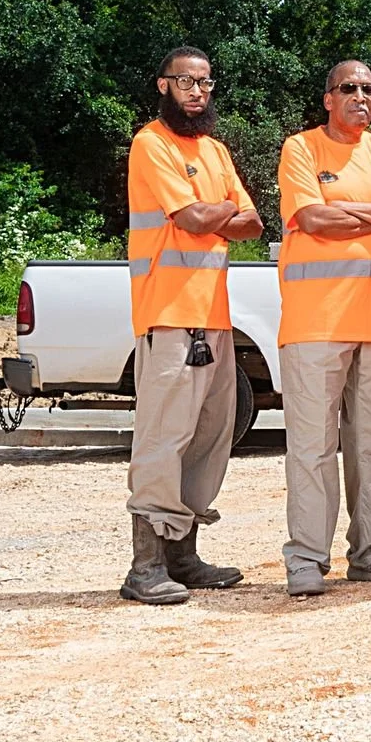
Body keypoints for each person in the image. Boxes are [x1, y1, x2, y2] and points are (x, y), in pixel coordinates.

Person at [122, 46, 264, 605]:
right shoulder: (150, 143)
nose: (198, 92)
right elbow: (197, 217)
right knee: (163, 440)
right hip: (169, 313)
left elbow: (252, 224)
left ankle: (183, 556)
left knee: (209, 437)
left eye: (205, 83)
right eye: (186, 82)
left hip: (214, 317)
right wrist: (221, 213)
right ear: (163, 86)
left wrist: (219, 215)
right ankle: (145, 565)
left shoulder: (216, 150)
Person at [274, 59, 371, 597]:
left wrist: (346, 208)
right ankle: (307, 558)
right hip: (316, 323)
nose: (361, 96)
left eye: (369, 89)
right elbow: (311, 219)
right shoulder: (301, 148)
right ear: (327, 98)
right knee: (312, 447)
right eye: (349, 88)